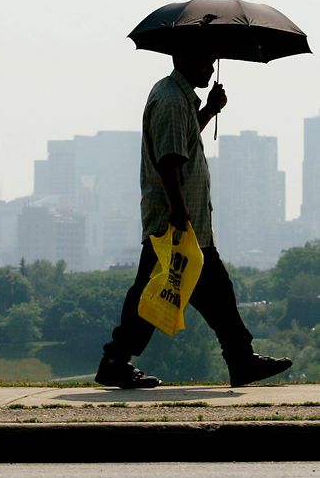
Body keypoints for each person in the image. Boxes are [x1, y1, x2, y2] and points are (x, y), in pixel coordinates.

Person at [95, 50, 292, 389]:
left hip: (188, 223)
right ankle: (117, 360)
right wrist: (178, 210)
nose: (211, 67)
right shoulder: (171, 101)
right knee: (156, 292)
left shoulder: (179, 99)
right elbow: (169, 160)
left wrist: (210, 110)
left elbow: (184, 140)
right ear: (186, 60)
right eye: (206, 61)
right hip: (176, 224)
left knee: (211, 292)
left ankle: (239, 358)